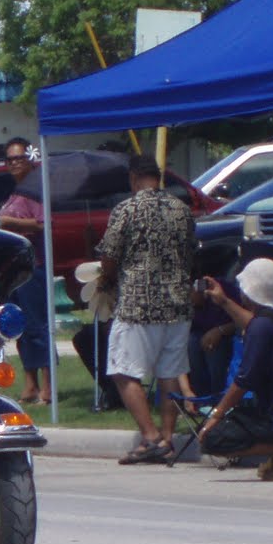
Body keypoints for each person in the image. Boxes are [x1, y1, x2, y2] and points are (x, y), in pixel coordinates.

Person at [96, 154, 196, 464]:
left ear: (134, 178)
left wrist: (106, 280)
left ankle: (150, 437)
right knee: (169, 373)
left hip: (140, 303)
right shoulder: (182, 209)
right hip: (178, 303)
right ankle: (167, 438)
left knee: (123, 371)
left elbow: (109, 254)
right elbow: (191, 252)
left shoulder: (127, 209)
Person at [194, 260, 273, 479]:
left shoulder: (261, 328)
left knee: (212, 438)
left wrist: (215, 416)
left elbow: (244, 380)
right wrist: (224, 301)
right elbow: (253, 323)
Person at [0, 137, 51, 403]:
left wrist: (7, 222)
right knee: (20, 326)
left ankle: (48, 386)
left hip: (33, 266)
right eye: (10, 159)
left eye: (19, 157)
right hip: (13, 270)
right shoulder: (15, 193)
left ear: (30, 159)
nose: (14, 163)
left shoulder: (37, 190)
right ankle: (30, 384)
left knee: (38, 326)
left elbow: (43, 224)